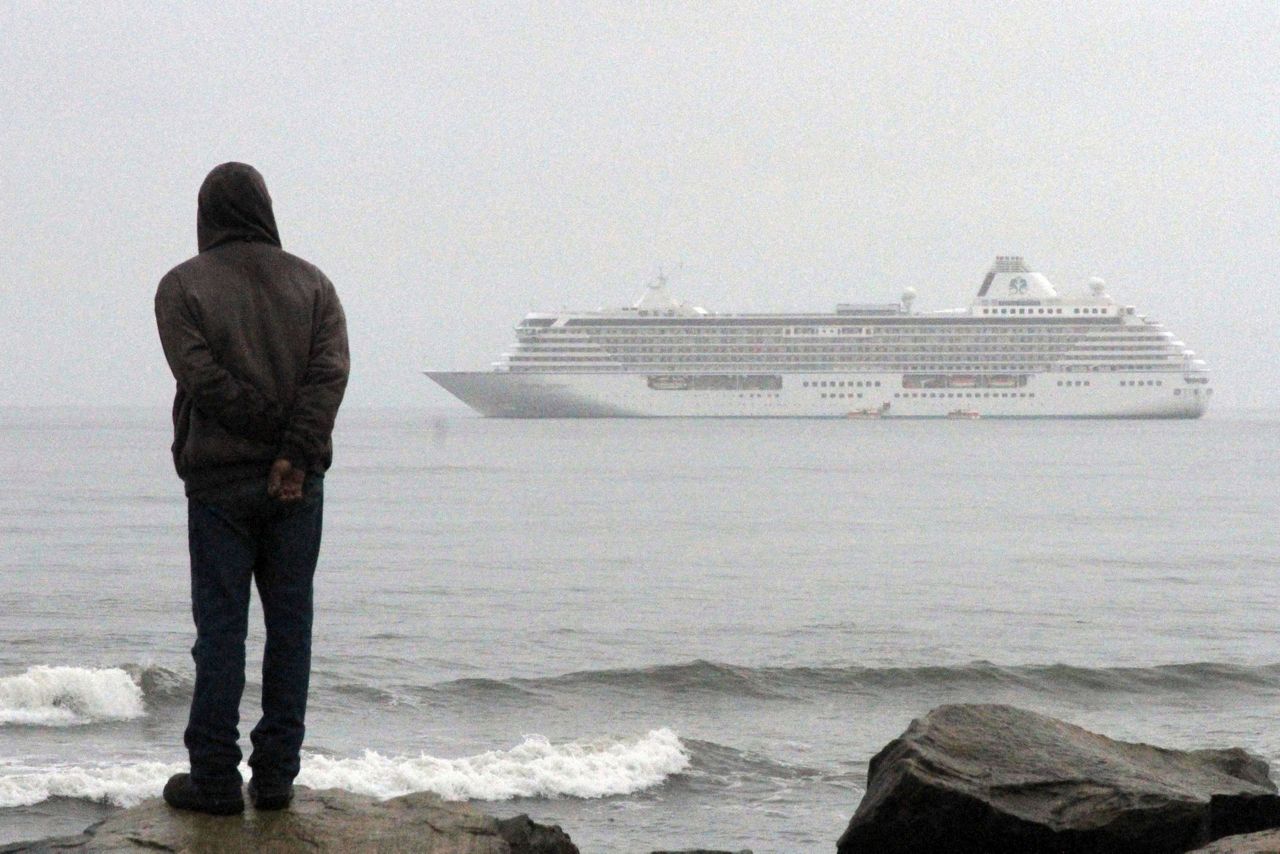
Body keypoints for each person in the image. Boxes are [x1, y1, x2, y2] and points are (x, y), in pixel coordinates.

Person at [154, 162, 349, 814]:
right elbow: (328, 378)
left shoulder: (182, 287)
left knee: (220, 635)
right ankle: (275, 780)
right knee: (291, 629)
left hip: (218, 485)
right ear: (267, 208)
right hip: (299, 486)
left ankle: (213, 782)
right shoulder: (314, 284)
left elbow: (202, 379)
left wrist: (270, 438)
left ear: (206, 213)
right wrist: (292, 451)